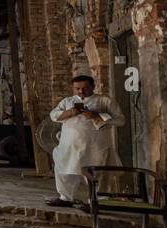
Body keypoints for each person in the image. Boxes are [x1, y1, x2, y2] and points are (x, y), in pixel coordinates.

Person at [46, 74, 125, 207]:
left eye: (85, 88)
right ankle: (65, 197)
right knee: (65, 170)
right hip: (70, 145)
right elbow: (54, 115)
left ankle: (98, 200)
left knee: (97, 173)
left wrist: (96, 116)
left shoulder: (104, 101)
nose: (81, 91)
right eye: (77, 88)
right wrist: (70, 112)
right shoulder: (67, 101)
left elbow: (120, 120)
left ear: (93, 86)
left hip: (95, 146)